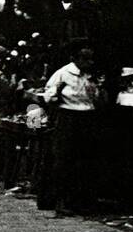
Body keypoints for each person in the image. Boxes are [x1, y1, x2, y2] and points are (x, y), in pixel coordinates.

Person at [40, 40, 104, 215]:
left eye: (91, 59)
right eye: (84, 58)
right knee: (64, 159)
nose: (89, 62)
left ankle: (80, 201)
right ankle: (60, 200)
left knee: (83, 161)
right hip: (68, 117)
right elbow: (48, 96)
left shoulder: (91, 75)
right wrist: (56, 95)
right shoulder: (63, 73)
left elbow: (96, 99)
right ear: (75, 58)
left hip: (87, 118)